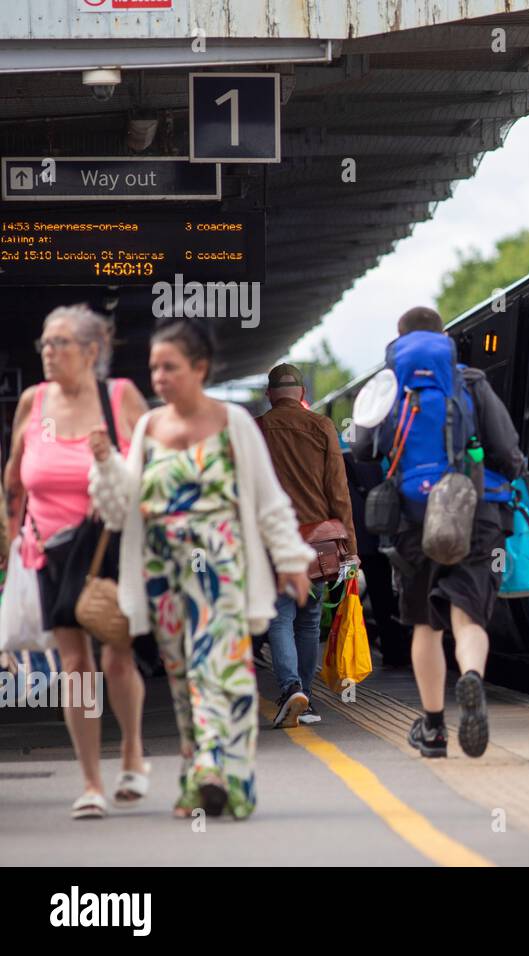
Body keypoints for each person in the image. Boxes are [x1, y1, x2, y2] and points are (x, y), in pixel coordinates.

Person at [88, 315, 315, 819]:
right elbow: (122, 504)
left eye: (170, 367)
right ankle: (200, 781)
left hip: (221, 568)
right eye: (154, 368)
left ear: (200, 367)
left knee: (220, 670)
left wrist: (292, 562)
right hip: (162, 573)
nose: (160, 378)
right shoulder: (149, 425)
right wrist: (105, 463)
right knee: (184, 675)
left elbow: (269, 501)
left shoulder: (234, 424)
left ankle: (217, 770)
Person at [4, 304, 150, 820]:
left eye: (60, 342)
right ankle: (91, 781)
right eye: (44, 342)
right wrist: (13, 543)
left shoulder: (120, 398)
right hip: (47, 549)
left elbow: (153, 473)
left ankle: (132, 750)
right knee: (75, 666)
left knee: (115, 656)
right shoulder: (33, 402)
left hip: (108, 543)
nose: (47, 351)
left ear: (92, 351)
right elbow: (14, 481)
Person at [362, 306, 523, 760]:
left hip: (413, 520)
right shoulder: (470, 381)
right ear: (445, 339)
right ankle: (471, 675)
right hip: (474, 510)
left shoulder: (388, 386)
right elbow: (508, 450)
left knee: (425, 626)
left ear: (399, 340)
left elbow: (360, 448)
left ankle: (433, 729)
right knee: (468, 616)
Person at [255, 363, 357, 728]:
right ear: (301, 395)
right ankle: (307, 702)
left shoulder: (258, 429)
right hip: (316, 544)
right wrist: (350, 549)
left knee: (280, 615)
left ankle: (290, 688)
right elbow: (339, 492)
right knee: (309, 620)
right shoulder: (323, 426)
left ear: (270, 394)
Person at [343, 445, 409, 668]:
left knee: (343, 597)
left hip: (345, 542)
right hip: (374, 538)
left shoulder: (337, 458)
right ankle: (394, 653)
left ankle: (347, 654)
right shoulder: (382, 458)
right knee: (383, 598)